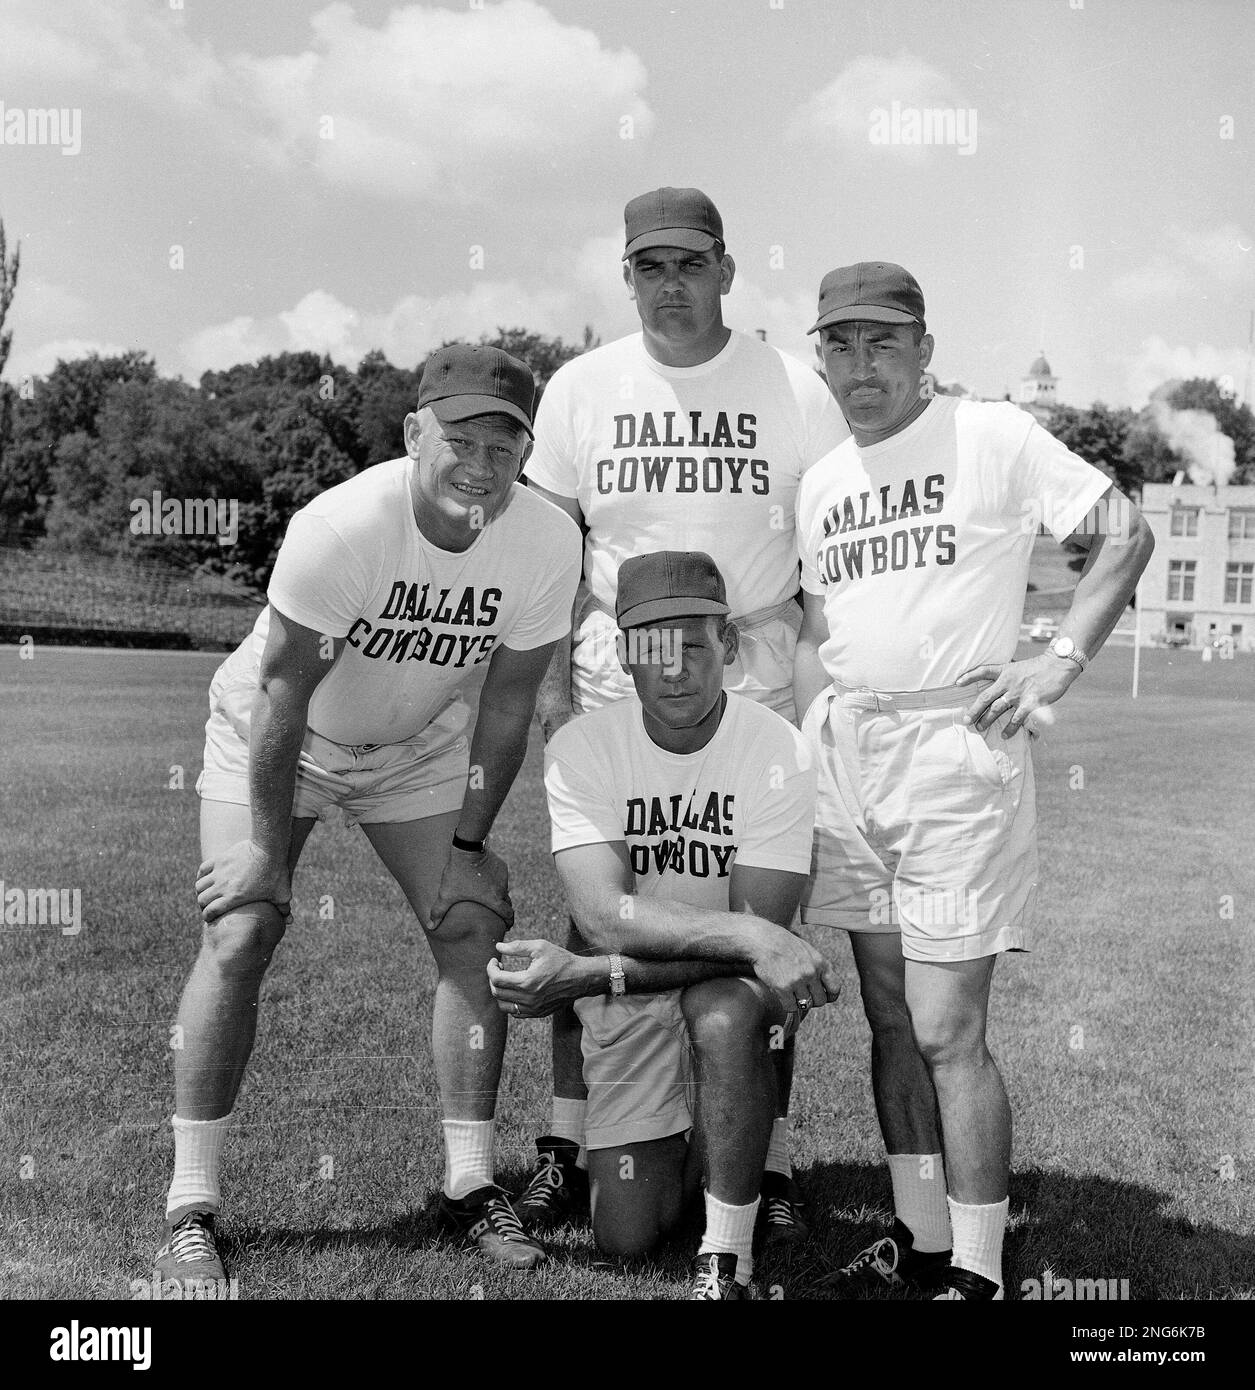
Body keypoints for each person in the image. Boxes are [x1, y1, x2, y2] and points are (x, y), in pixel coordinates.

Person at [154, 344, 582, 1288]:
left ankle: (469, 1184)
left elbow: (508, 707)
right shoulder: (344, 524)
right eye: (459, 437)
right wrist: (267, 850)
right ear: (413, 433)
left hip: (418, 748)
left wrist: (468, 844)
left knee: (472, 924)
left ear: (526, 452)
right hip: (283, 736)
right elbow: (280, 693)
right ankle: (192, 1206)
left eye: (503, 445)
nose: (479, 463)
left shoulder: (547, 541)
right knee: (242, 928)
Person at [793, 263, 1154, 1299]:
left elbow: (1121, 530)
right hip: (848, 757)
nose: (860, 367)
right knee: (888, 1016)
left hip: (954, 752)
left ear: (922, 350)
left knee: (948, 1026)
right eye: (840, 346)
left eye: (882, 344)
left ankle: (983, 1270)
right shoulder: (822, 482)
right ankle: (920, 1235)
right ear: (820, 355)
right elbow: (828, 629)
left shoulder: (988, 434)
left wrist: (1058, 659)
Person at [518, 187, 848, 1242]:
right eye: (648, 266)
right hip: (622, 673)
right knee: (596, 914)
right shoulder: (580, 387)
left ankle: (767, 1157)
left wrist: (818, 700)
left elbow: (828, 560)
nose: (670, 285)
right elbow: (551, 557)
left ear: (726, 269)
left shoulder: (793, 386)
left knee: (761, 926)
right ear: (625, 275)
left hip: (745, 673)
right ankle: (570, 1143)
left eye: (689, 264)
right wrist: (559, 692)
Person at [491, 550, 837, 1298]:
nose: (673, 669)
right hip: (644, 986)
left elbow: (760, 952)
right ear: (621, 656)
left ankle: (726, 1255)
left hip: (726, 996)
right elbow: (603, 917)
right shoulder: (582, 747)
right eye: (651, 648)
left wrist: (594, 972)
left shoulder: (777, 748)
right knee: (625, 1233)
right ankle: (716, 1143)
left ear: (730, 647)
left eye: (693, 644)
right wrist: (740, 936)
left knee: (722, 1012)